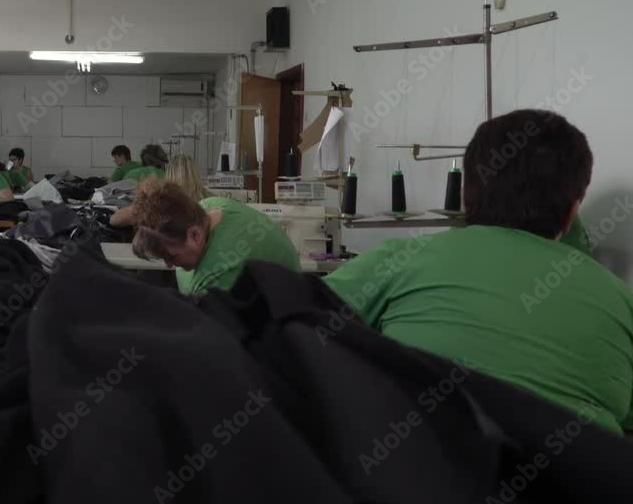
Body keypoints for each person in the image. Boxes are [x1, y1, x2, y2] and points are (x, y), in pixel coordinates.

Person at [322, 109, 633, 435]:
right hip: (580, 480)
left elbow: (292, 320)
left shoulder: (402, 259)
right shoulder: (619, 300)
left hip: (415, 471)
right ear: (572, 213)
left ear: (463, 194)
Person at [130, 179, 299, 296]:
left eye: (172, 256)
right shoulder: (209, 206)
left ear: (194, 235)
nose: (168, 265)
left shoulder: (219, 273)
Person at [111, 154, 212, 227]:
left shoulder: (159, 199)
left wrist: (140, 202)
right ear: (196, 174)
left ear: (168, 173)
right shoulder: (211, 199)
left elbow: (114, 220)